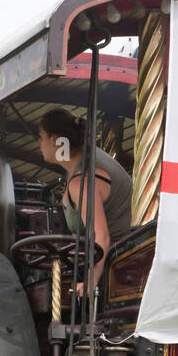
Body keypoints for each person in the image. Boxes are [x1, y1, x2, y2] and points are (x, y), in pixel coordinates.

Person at [37, 110, 132, 295]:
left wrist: (90, 281)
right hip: (113, 261)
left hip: (115, 267)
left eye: (41, 137)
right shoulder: (82, 163)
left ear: (56, 140)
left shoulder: (82, 181)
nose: (38, 143)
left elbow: (101, 236)